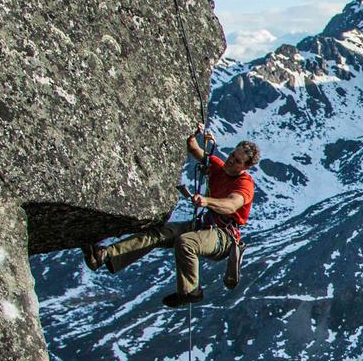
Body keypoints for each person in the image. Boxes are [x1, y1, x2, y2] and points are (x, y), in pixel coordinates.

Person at [84, 126, 259, 308]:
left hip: (223, 238)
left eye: (237, 161)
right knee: (159, 233)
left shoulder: (244, 184)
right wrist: (194, 133)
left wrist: (207, 201)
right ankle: (104, 256)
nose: (230, 161)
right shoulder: (217, 166)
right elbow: (193, 149)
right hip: (205, 225)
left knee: (186, 242)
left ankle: (191, 292)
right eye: (232, 155)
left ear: (246, 167)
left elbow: (231, 204)